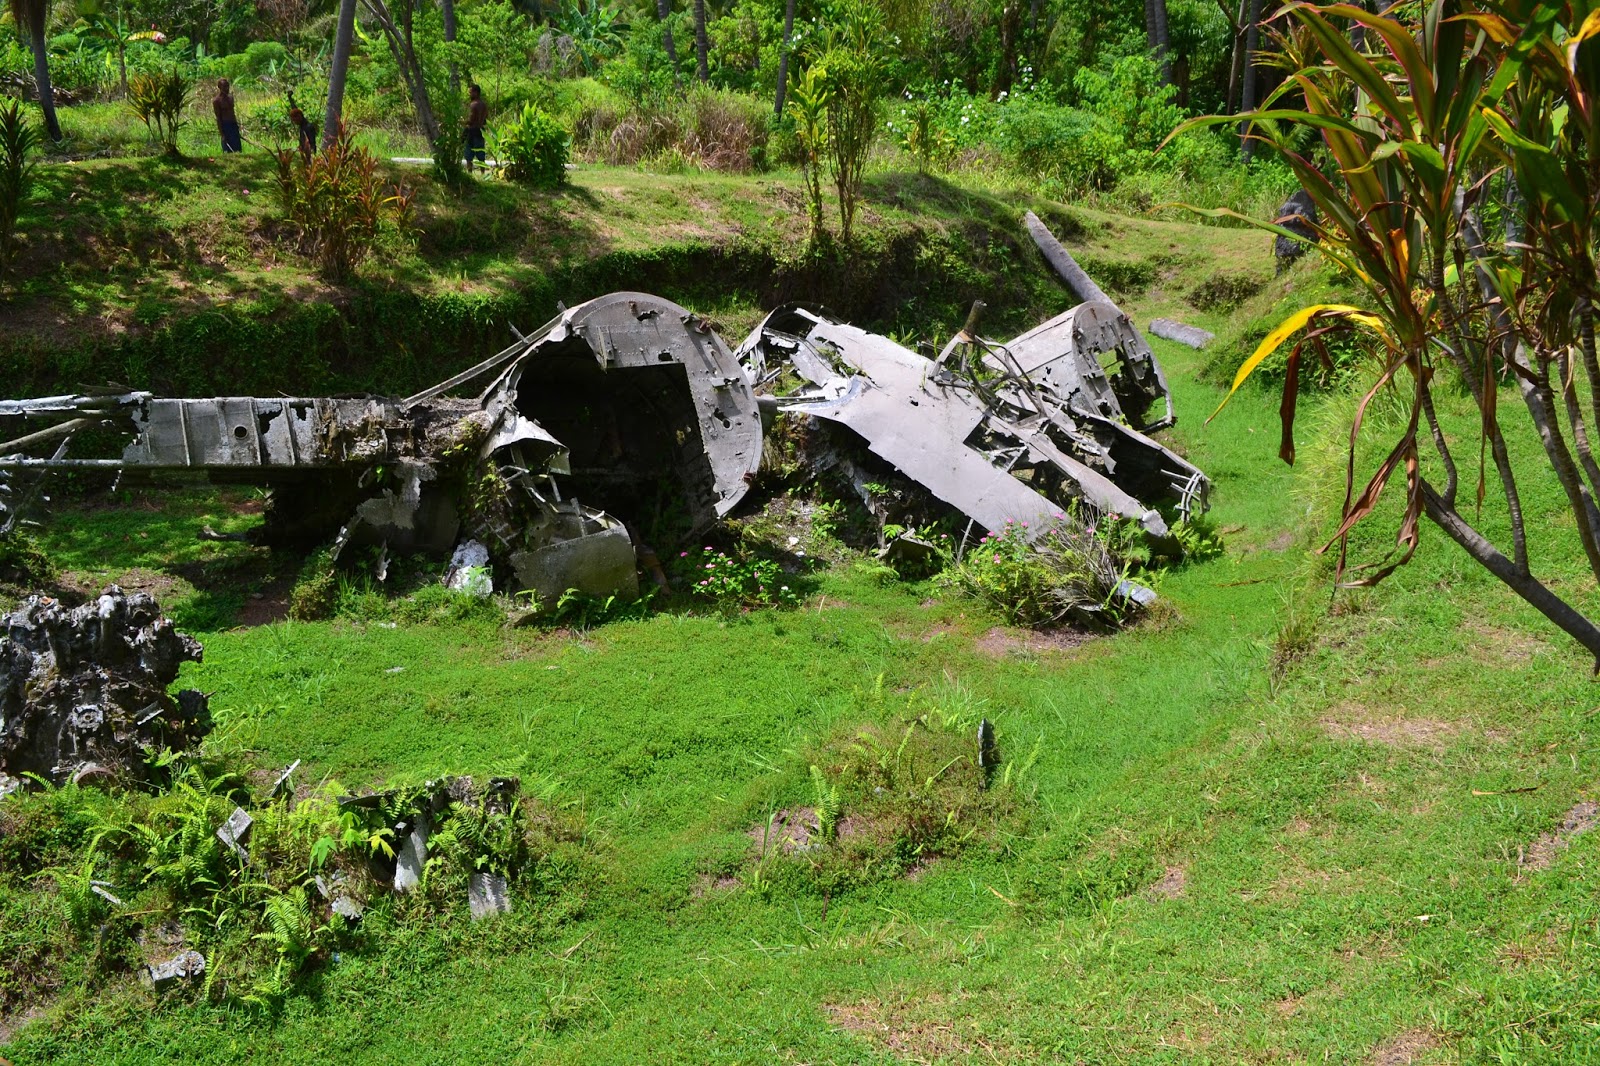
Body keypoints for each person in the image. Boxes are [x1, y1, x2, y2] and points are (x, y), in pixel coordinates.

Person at [213, 78, 241, 153]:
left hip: (233, 124)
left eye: (227, 86)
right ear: (219, 87)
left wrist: (236, 125)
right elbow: (218, 117)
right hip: (225, 125)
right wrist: (222, 133)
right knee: (228, 150)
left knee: (237, 149)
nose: (226, 88)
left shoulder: (230, 98)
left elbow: (232, 112)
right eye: (224, 86)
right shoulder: (217, 101)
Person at [464, 84, 488, 173]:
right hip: (480, 131)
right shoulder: (484, 105)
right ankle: (483, 173)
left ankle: (469, 173)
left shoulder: (473, 105)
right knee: (481, 155)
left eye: (470, 92)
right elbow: (486, 119)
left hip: (472, 132)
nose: (469, 94)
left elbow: (470, 120)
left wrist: (461, 122)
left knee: (468, 155)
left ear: (476, 93)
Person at [287, 94, 318, 161]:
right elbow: (294, 108)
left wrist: (311, 155)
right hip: (304, 152)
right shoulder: (302, 125)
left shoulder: (308, 127)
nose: (295, 122)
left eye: (295, 120)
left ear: (299, 117)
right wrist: (290, 98)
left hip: (309, 154)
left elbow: (312, 143)